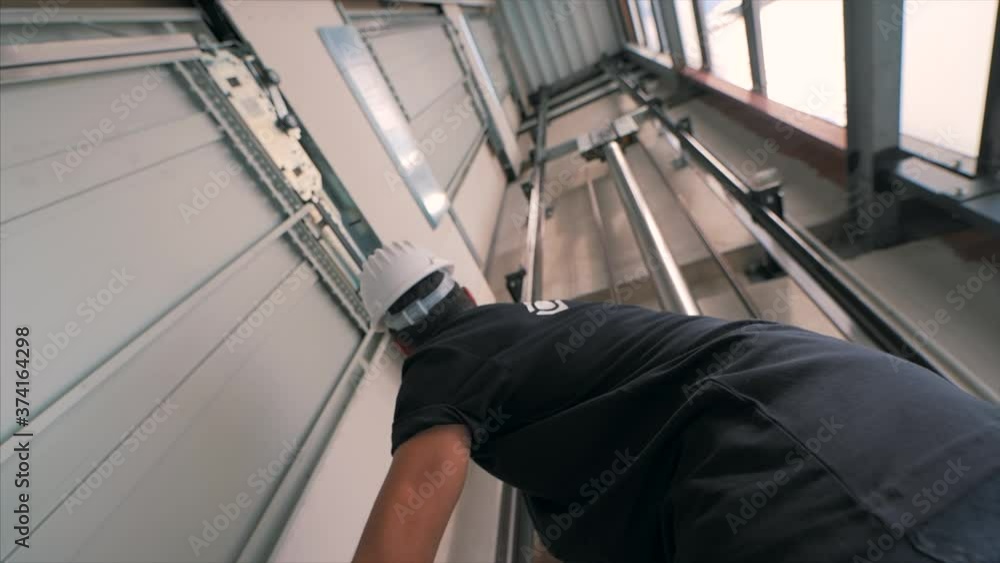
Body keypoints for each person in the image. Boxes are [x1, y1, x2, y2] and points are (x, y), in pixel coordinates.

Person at [350, 241, 1000, 563]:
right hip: (922, 420)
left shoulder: (444, 363)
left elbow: (420, 486)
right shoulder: (538, 339)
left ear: (401, 344)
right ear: (462, 288)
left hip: (807, 473)